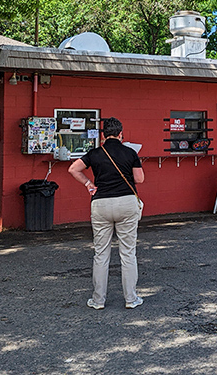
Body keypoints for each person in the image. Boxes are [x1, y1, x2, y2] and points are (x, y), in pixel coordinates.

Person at [68, 117, 145, 310]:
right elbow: (139, 179)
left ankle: (98, 300)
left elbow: (73, 169)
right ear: (121, 133)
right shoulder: (130, 152)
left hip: (101, 202)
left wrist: (88, 183)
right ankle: (131, 299)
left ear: (103, 135)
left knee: (101, 254)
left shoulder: (94, 153)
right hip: (126, 203)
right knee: (128, 253)